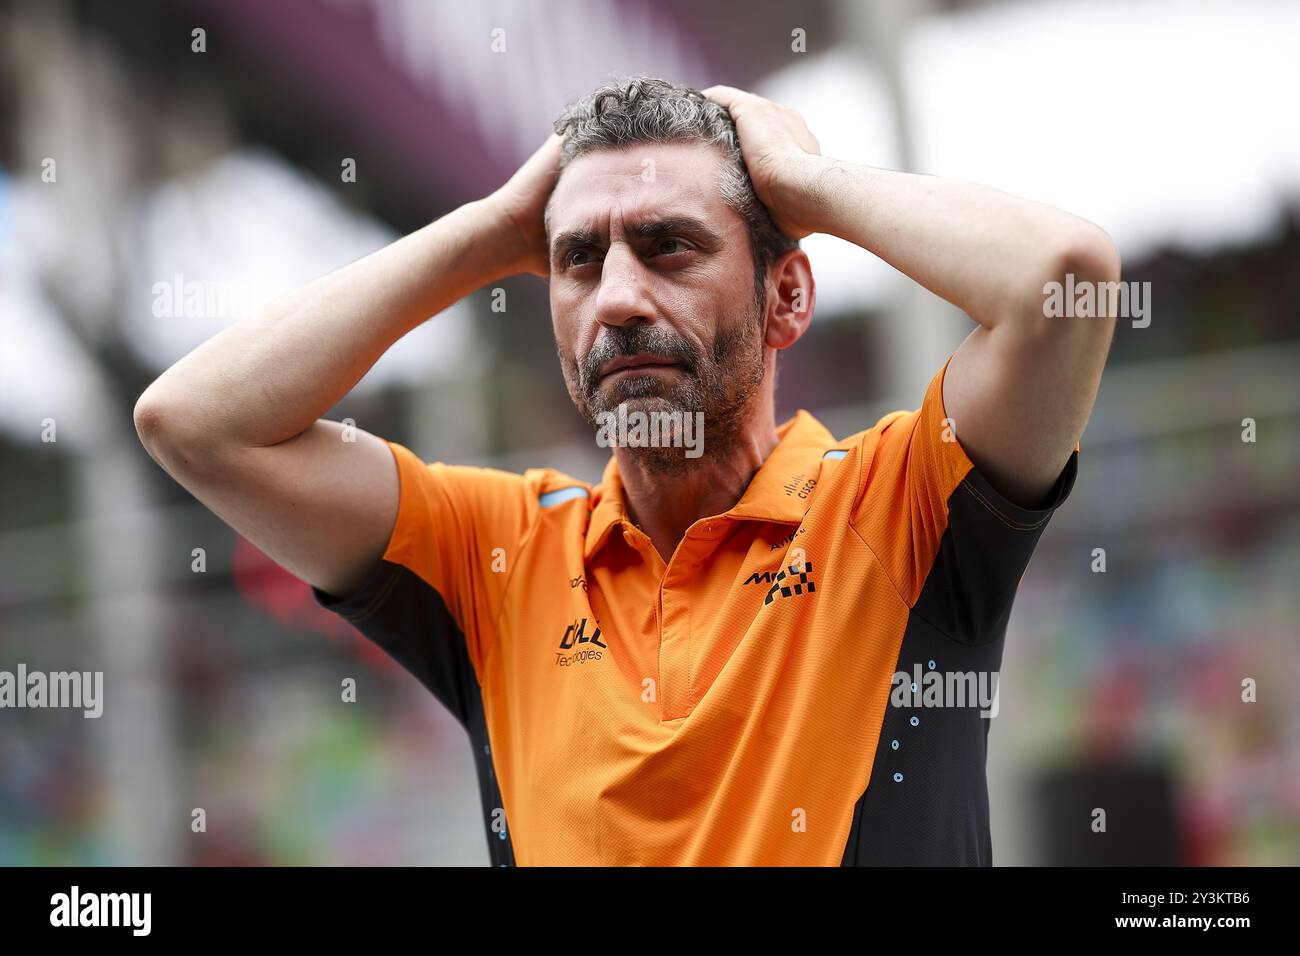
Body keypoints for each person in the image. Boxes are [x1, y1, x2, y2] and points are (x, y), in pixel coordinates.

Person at [134, 76, 1118, 865]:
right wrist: (489, 228)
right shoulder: (496, 551)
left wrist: (800, 180)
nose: (617, 297)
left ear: (787, 297)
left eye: (668, 246)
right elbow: (193, 420)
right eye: (575, 259)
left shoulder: (892, 500)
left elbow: (1065, 280)